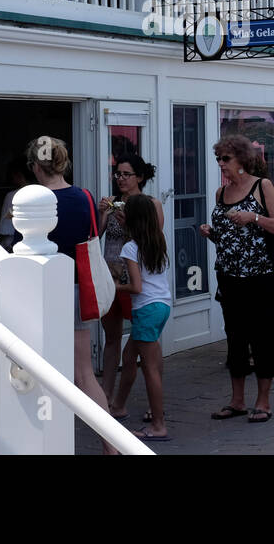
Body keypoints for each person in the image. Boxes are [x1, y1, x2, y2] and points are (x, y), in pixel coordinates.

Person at [26, 135, 117, 454]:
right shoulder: (85, 197)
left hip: (44, 292)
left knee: (39, 371)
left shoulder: (34, 200)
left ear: (37, 166)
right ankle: (112, 444)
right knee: (83, 374)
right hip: (80, 289)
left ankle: (46, 442)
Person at [199, 134, 274, 424]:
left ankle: (263, 402)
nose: (221, 164)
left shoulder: (262, 187)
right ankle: (237, 401)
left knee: (262, 338)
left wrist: (254, 219)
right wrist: (212, 234)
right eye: (218, 159)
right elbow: (230, 238)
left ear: (242, 159)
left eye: (226, 158)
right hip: (229, 277)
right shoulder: (220, 194)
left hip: (260, 277)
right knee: (235, 339)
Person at [99, 153, 163, 415]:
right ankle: (104, 397)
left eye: (126, 174)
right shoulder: (112, 202)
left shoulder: (150, 204)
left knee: (148, 344)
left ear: (140, 177)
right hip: (110, 276)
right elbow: (96, 235)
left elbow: (153, 244)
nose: (121, 179)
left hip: (135, 280)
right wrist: (103, 214)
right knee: (111, 337)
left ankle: (154, 405)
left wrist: (129, 225)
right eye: (118, 174)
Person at [111, 194, 172, 442]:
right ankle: (118, 406)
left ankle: (159, 424)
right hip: (162, 305)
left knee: (149, 369)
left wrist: (113, 286)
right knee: (129, 356)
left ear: (131, 218)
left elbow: (135, 287)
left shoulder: (130, 247)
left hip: (145, 308)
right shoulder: (158, 240)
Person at [0, 156, 29, 252]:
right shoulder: (44, 193)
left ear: (17, 175)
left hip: (14, 246)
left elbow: (3, 229)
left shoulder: (13, 196)